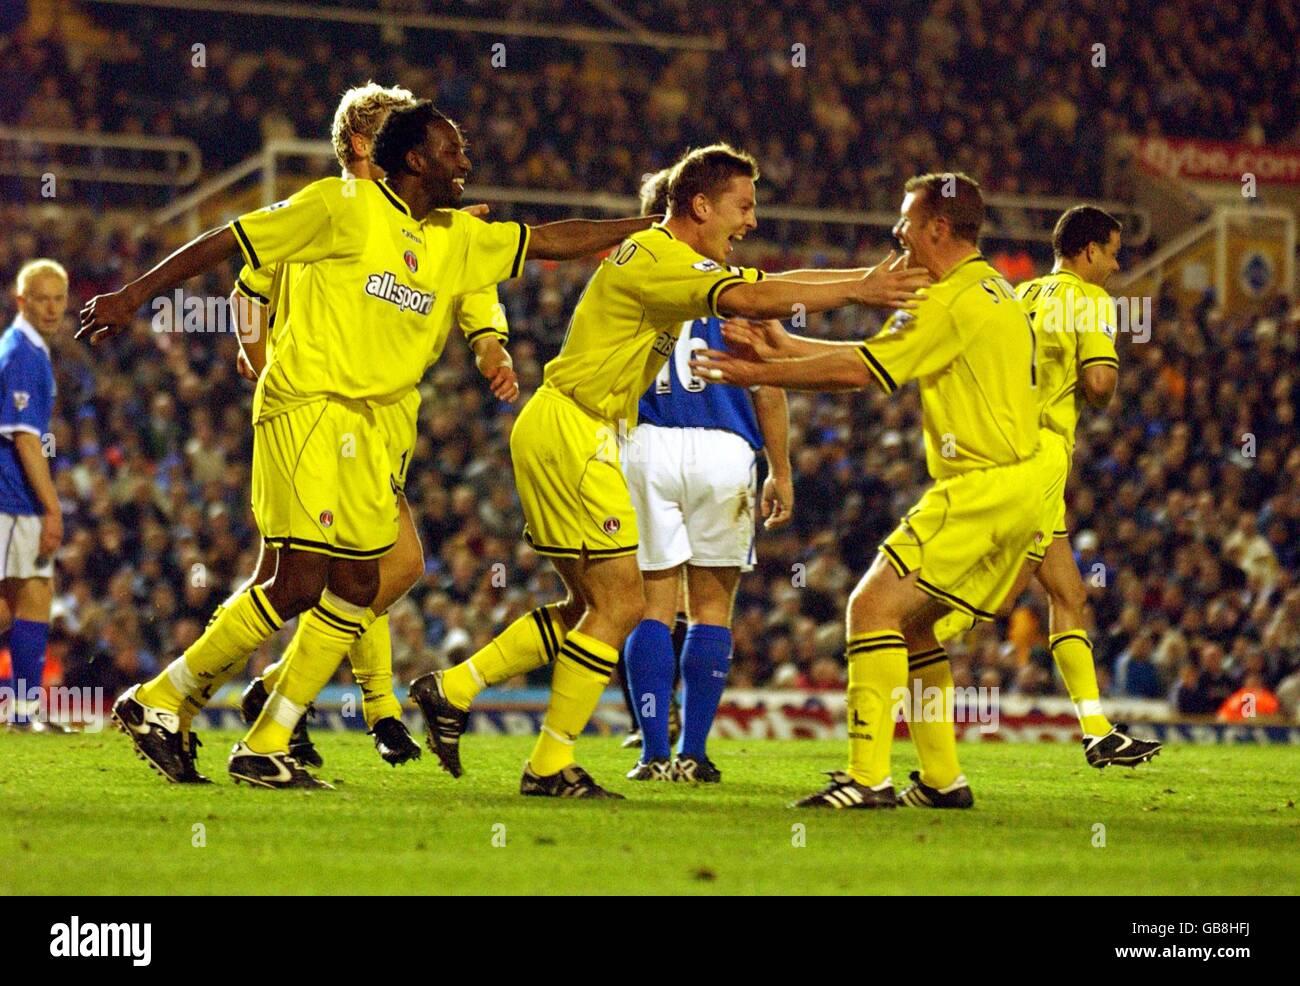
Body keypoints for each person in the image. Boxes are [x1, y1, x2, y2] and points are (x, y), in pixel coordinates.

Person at [78, 99, 657, 788]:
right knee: (294, 581)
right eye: (452, 152)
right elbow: (232, 241)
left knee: (359, 582)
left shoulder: (454, 237)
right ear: (415, 160)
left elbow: (555, 237)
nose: (465, 163)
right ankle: (161, 700)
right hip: (310, 406)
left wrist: (653, 227)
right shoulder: (341, 206)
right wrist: (132, 295)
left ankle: (264, 742)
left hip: (375, 428)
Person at [410, 142, 928, 798]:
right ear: (701, 206)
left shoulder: (663, 257)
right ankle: (549, 765)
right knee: (627, 601)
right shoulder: (663, 260)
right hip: (578, 430)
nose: (752, 222)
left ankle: (453, 690)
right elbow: (757, 298)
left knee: (592, 606)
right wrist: (859, 286)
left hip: (578, 427)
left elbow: (760, 302)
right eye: (743, 207)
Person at [695, 172, 1062, 809]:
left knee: (870, 611)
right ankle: (944, 782)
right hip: (1018, 489)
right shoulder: (987, 291)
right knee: (916, 632)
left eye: (906, 221)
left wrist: (759, 369)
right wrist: (782, 344)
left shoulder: (949, 299)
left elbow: (860, 372)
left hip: (982, 488)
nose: (897, 233)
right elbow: (871, 354)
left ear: (937, 229)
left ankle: (867, 779)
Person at [221, 82, 518, 772]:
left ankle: (270, 700)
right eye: (393, 129)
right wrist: (262, 361)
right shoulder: (326, 210)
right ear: (363, 143)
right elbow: (247, 283)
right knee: (357, 568)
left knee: (355, 570)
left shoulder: (425, 221)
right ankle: (260, 699)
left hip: (385, 411)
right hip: (321, 407)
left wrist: (488, 340)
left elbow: (472, 279)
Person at [621, 168, 794, 783]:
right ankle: (693, 753)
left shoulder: (636, 273)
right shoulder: (740, 288)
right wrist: (781, 469)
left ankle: (649, 755)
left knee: (650, 608)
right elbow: (768, 381)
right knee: (711, 610)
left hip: (647, 445)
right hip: (724, 451)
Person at [0, 259, 66, 731]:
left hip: (14, 497)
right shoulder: (22, 352)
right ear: (21, 301)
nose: (51, 307)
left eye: (58, 298)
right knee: (34, 594)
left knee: (18, 601)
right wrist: (52, 507)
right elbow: (25, 439)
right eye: (40, 298)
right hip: (11, 498)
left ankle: (23, 712)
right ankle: (24, 713)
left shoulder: (28, 349)